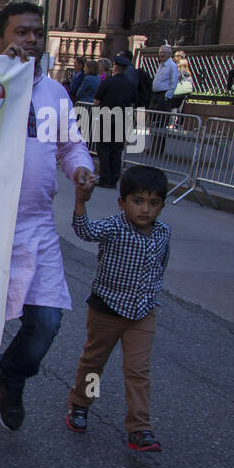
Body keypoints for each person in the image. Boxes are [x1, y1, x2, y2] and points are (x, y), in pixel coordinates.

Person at [0, 2, 96, 459]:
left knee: (46, 322)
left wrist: (80, 170)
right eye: (23, 32)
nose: (33, 40)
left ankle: (11, 377)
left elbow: (71, 143)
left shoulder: (56, 94)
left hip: (36, 228)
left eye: (39, 33)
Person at [64, 165, 171, 452]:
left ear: (162, 205)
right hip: (107, 309)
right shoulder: (114, 226)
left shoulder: (163, 233)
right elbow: (84, 230)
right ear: (122, 203)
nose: (145, 209)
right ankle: (80, 404)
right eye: (138, 201)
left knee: (138, 370)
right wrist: (81, 201)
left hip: (142, 312)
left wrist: (150, 294)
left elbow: (161, 265)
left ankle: (140, 428)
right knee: (94, 362)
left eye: (153, 203)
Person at [91, 53, 138, 187]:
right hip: (122, 120)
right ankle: (114, 179)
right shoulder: (131, 85)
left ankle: (105, 178)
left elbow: (96, 101)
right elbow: (133, 104)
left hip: (106, 118)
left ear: (115, 67)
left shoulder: (107, 82)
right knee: (116, 151)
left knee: (104, 150)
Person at [149, 44, 179, 113]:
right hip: (155, 95)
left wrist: (167, 96)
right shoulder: (161, 64)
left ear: (170, 54)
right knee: (152, 115)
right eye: (160, 52)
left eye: (164, 53)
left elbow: (174, 82)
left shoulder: (172, 66)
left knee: (160, 117)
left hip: (163, 95)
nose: (161, 54)